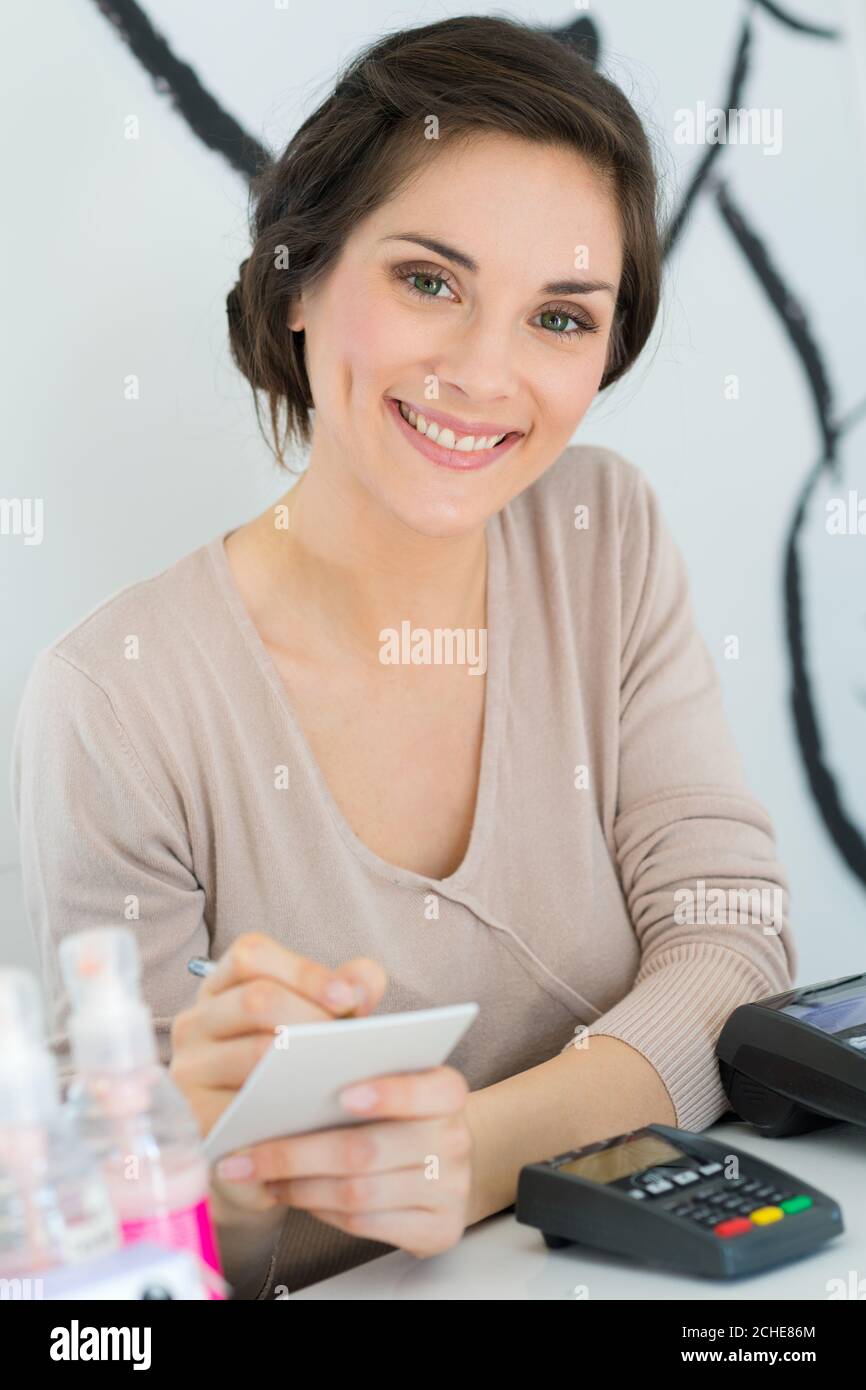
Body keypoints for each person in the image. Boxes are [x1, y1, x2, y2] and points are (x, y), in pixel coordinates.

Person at [11, 15, 796, 1298]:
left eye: (557, 315)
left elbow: (732, 946)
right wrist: (214, 1170)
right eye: (429, 280)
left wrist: (470, 1155)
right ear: (300, 276)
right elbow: (124, 1256)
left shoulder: (601, 536)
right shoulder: (114, 701)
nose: (483, 373)